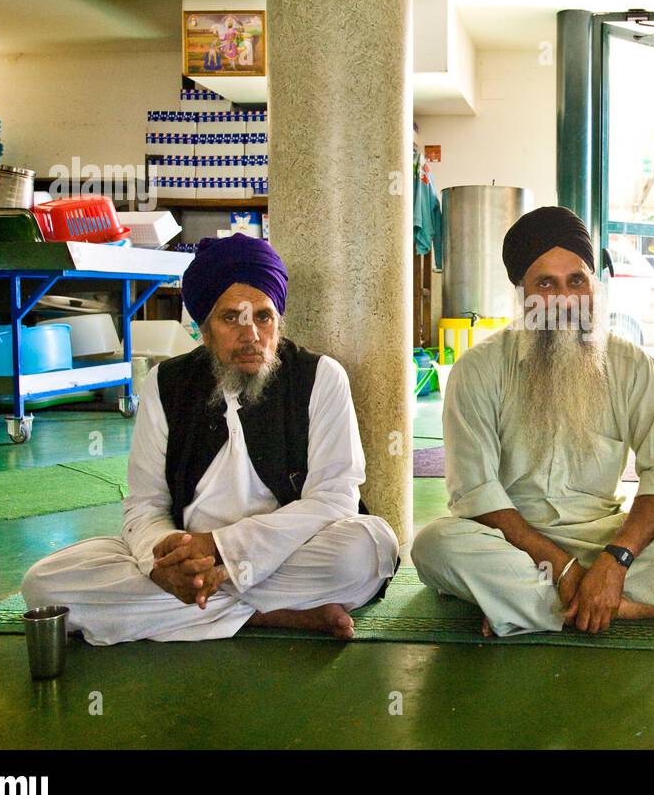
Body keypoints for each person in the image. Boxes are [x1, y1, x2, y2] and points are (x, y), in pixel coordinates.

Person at [23, 235, 398, 644]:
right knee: (43, 584)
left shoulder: (321, 377)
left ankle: (205, 604)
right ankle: (267, 615)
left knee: (369, 549)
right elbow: (146, 504)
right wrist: (162, 557)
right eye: (231, 318)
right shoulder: (166, 384)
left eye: (263, 316)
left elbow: (334, 499)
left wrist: (222, 549)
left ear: (278, 321)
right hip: (188, 552)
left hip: (288, 551)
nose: (250, 333)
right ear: (203, 328)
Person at [411, 206, 654, 637]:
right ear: (521, 292)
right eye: (546, 283)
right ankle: (626, 606)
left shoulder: (631, 365)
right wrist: (561, 567)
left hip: (604, 539)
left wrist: (616, 559)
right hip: (513, 544)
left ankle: (533, 605)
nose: (564, 299)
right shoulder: (479, 369)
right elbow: (475, 489)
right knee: (434, 546)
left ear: (593, 286)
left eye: (576, 280)